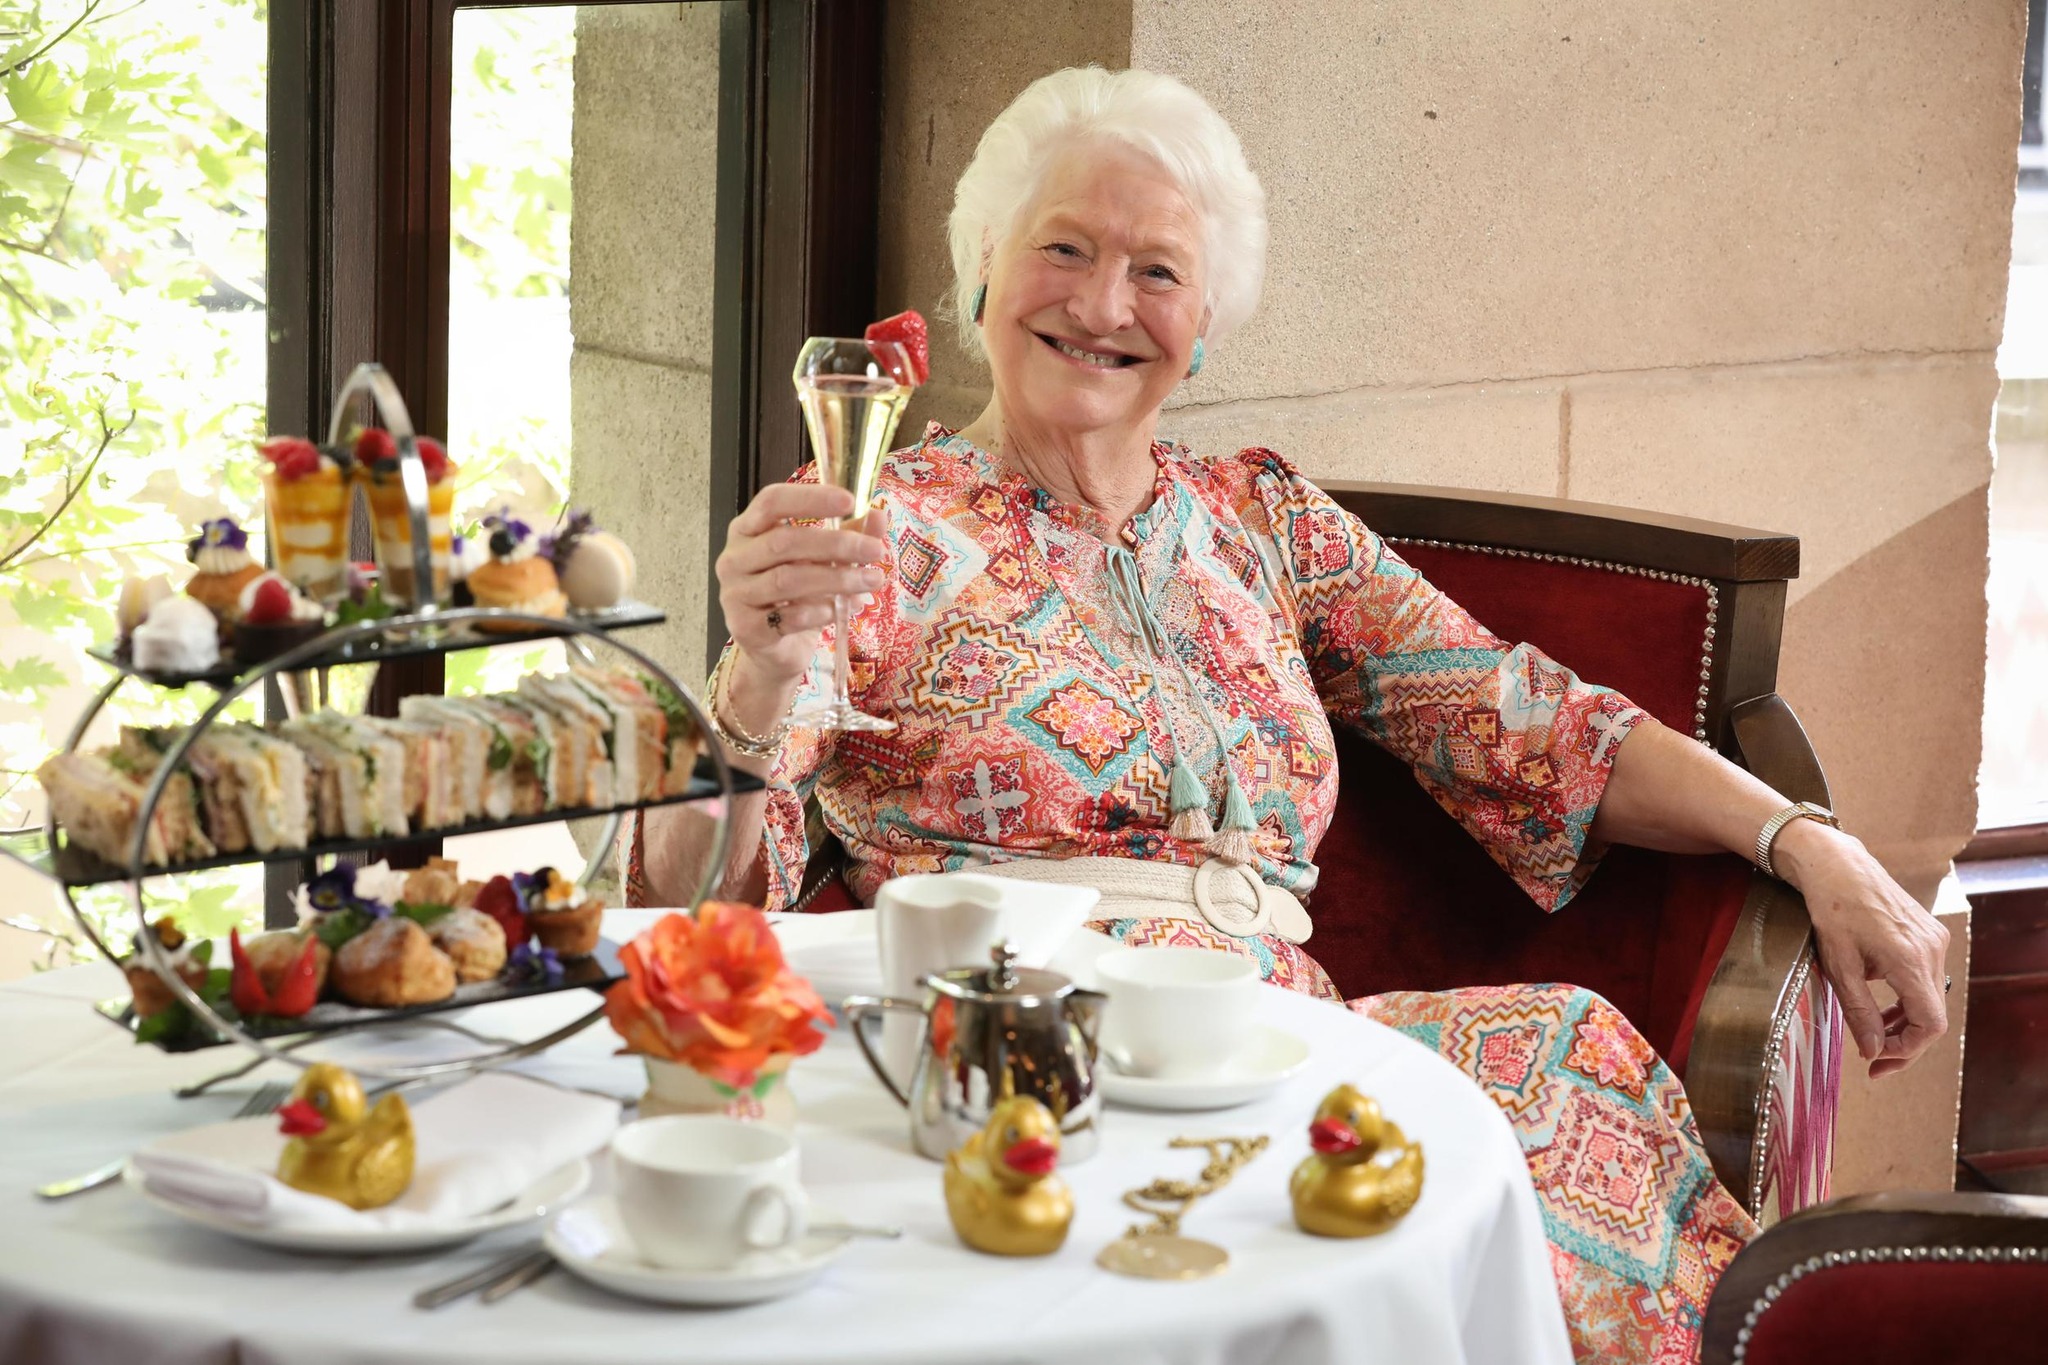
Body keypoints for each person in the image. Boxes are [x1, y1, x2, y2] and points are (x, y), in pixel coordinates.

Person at [635, 67, 1950, 1364]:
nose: (1103, 304)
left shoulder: (1263, 519)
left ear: (1204, 322)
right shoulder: (877, 526)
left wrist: (1804, 840)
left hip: (1271, 1043)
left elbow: (1527, 719)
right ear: (983, 270)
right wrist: (757, 675)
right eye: (1064, 249)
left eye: (1157, 271)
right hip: (1032, 1061)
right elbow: (693, 893)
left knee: (1564, 1063)